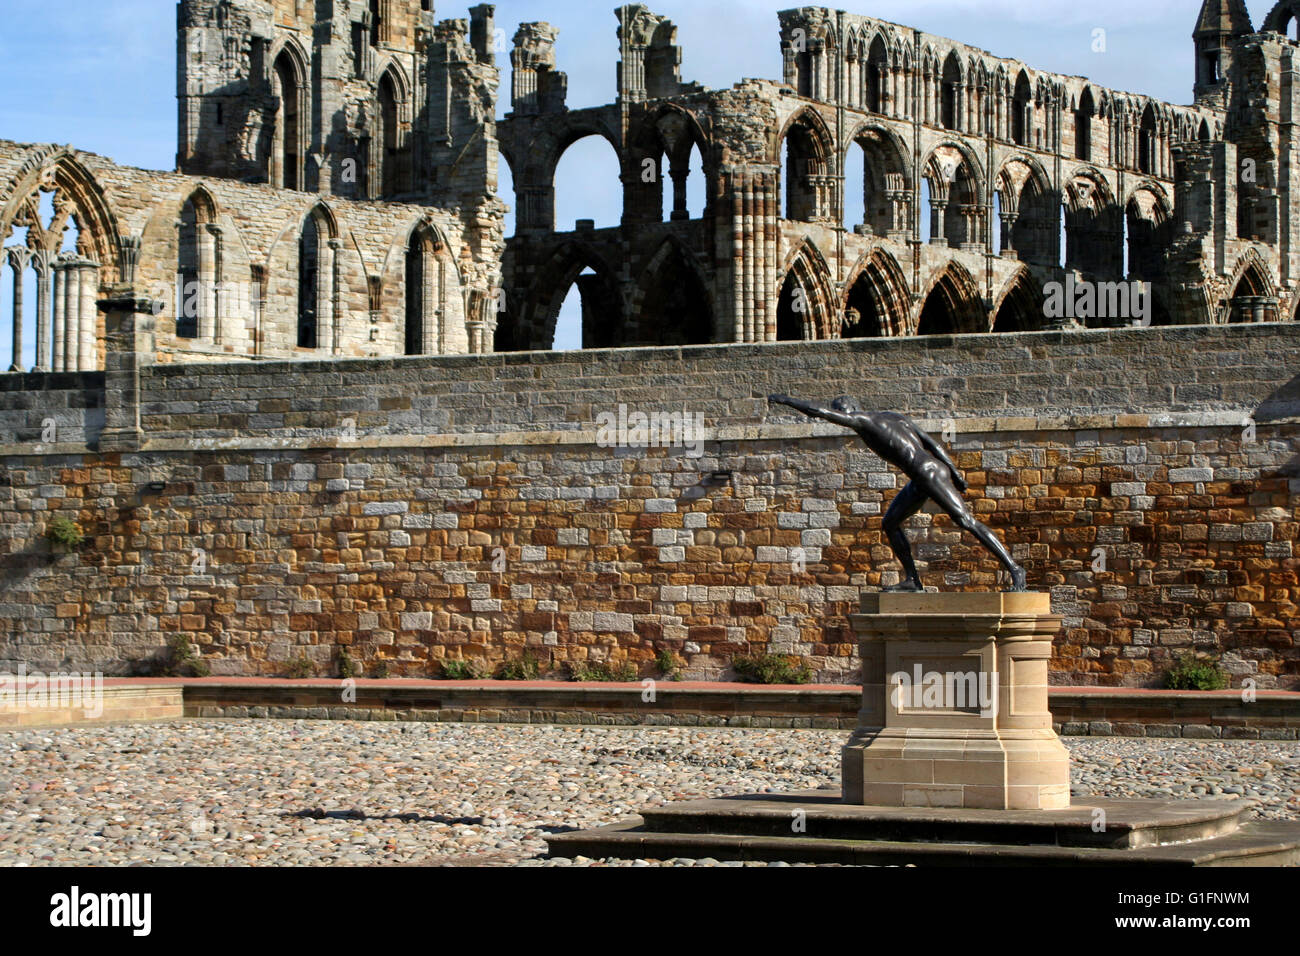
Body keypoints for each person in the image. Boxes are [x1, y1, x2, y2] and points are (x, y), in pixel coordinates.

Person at [768, 394, 1027, 592]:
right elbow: (931, 442)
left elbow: (818, 412)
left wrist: (786, 400)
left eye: (841, 416)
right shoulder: (894, 416)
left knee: (965, 521)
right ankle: (913, 580)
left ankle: (1015, 570)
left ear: (845, 412)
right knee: (890, 523)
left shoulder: (862, 421)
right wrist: (954, 472)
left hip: (926, 473)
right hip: (925, 473)